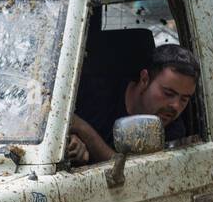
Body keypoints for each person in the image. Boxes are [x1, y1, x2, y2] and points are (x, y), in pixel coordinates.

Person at [67, 44, 199, 164]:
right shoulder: (93, 94)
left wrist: (83, 129)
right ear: (144, 79)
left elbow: (133, 174)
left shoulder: (172, 128)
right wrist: (71, 141)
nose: (176, 106)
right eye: (168, 93)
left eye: (184, 99)